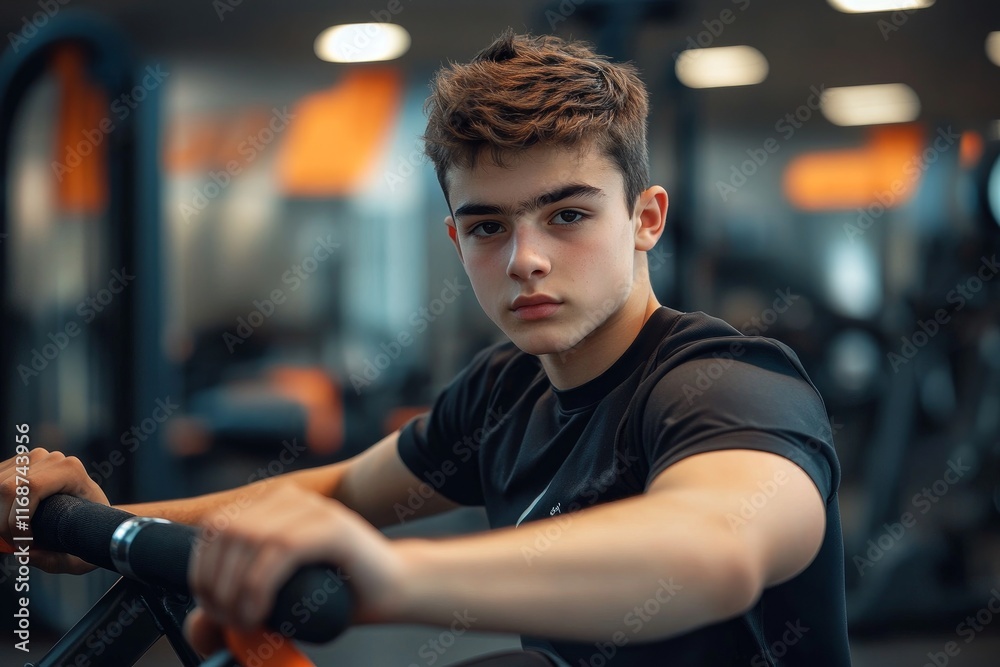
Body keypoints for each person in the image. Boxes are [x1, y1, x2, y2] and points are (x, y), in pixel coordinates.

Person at [0, 30, 852, 666]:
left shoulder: (725, 385)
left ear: (647, 219)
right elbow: (340, 491)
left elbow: (715, 546)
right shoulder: (505, 391)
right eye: (489, 225)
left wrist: (394, 581)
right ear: (455, 238)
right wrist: (104, 523)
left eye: (568, 213)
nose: (525, 259)